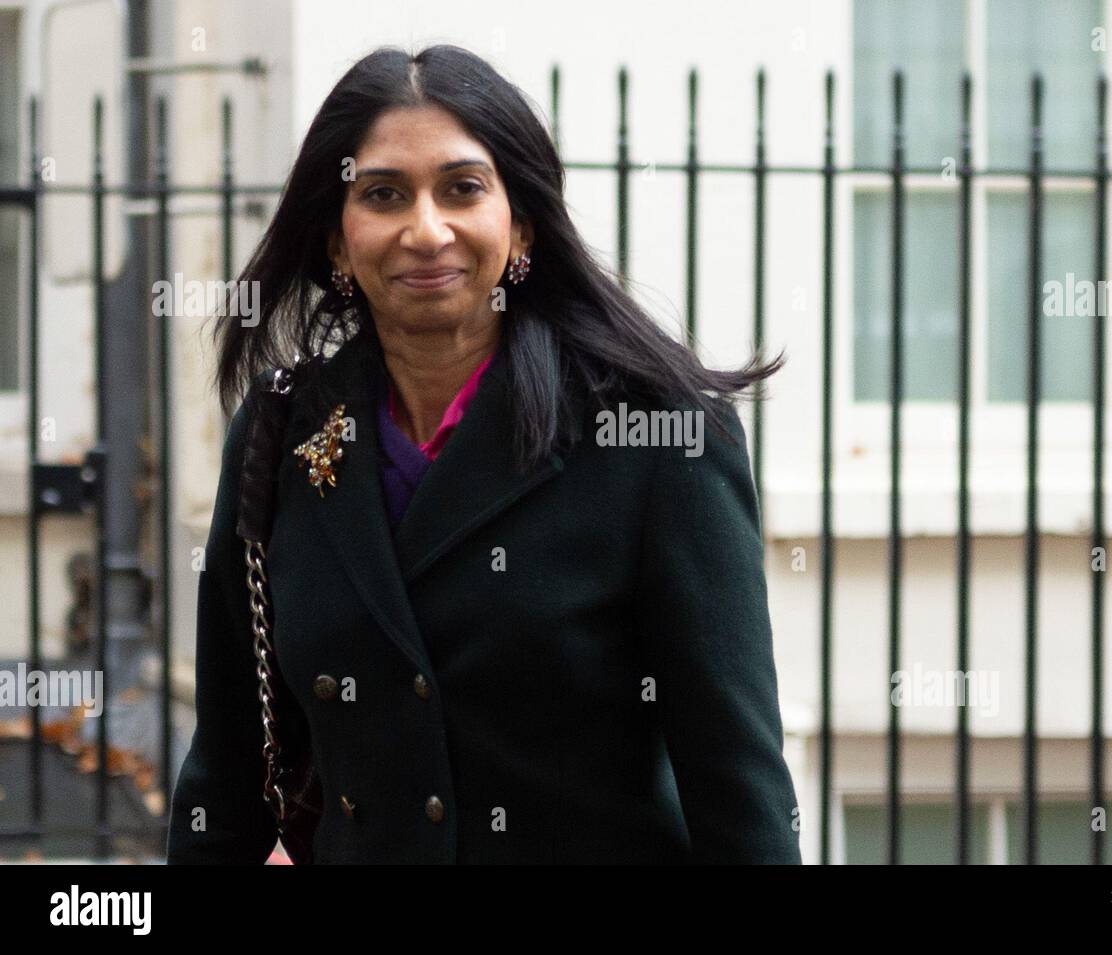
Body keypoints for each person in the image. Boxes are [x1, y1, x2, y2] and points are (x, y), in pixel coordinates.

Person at [165, 43, 799, 864]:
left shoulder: (661, 438)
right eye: (383, 194)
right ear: (335, 240)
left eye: (463, 188)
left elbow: (741, 798)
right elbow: (226, 774)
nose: (426, 230)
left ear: (522, 223)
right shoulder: (279, 432)